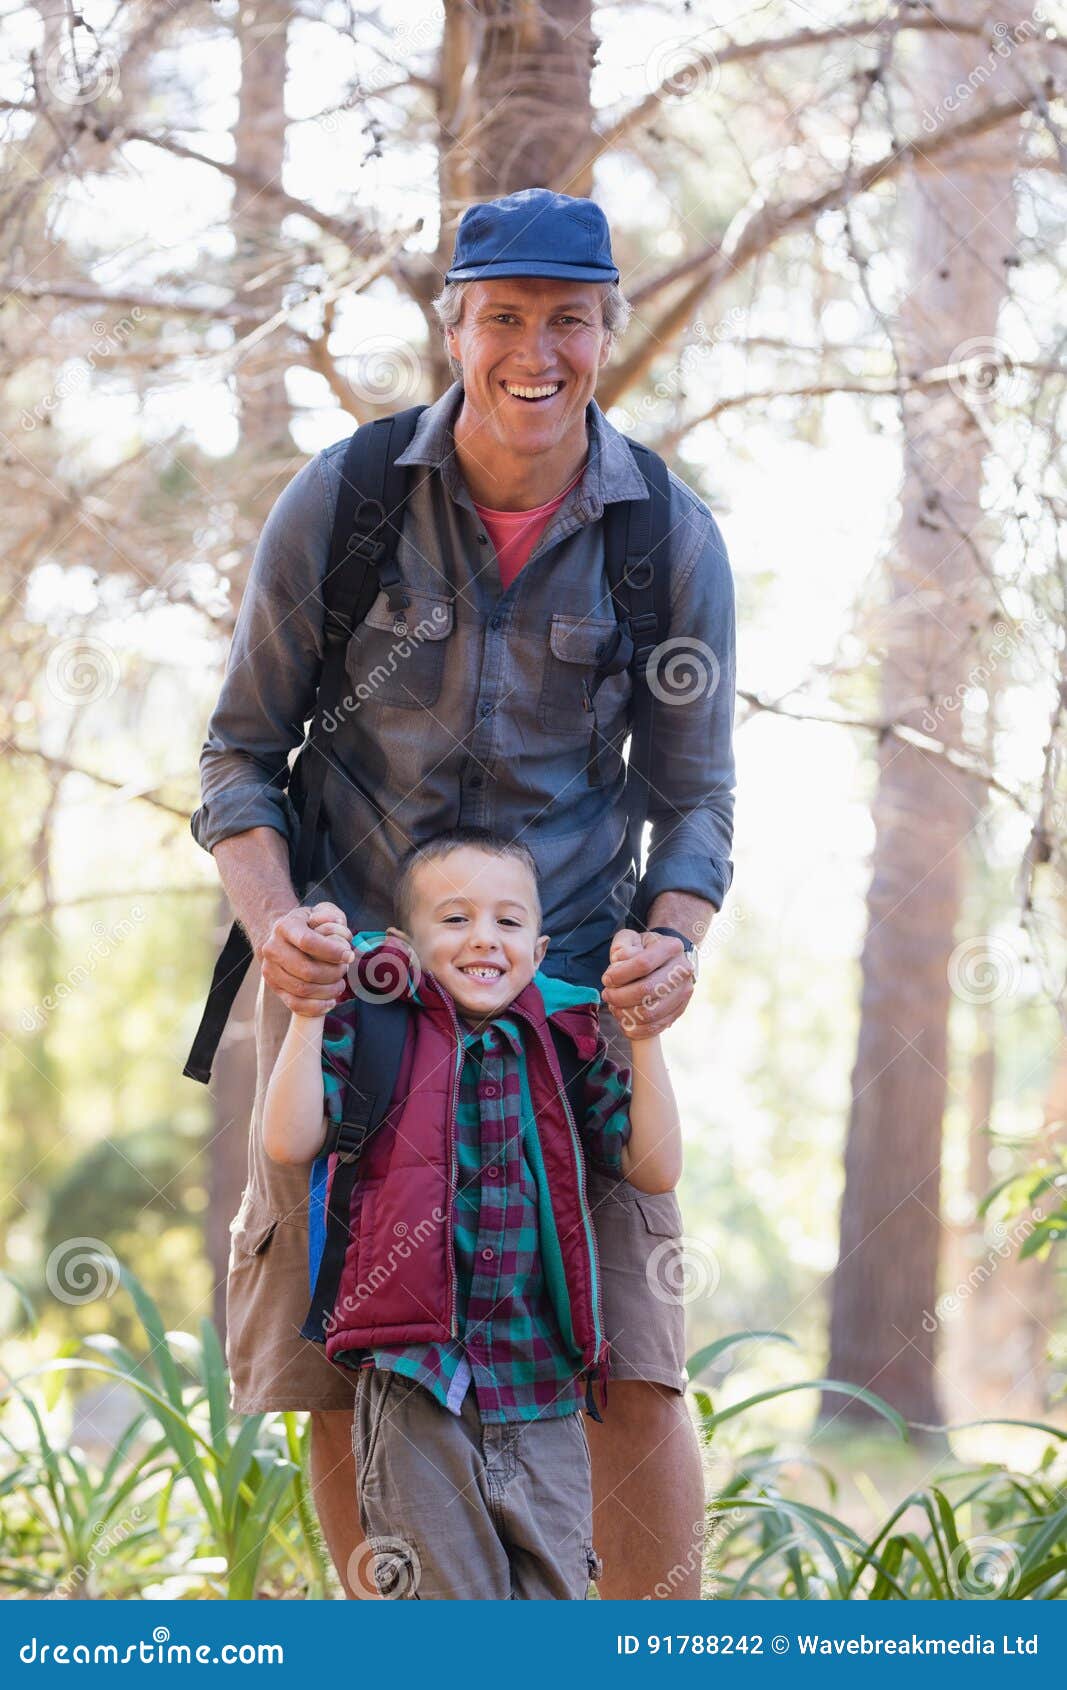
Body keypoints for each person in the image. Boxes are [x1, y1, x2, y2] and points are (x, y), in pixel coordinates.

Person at [192, 185, 736, 1599]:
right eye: (503, 316)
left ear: (604, 329)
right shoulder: (348, 495)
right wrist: (283, 939)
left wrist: (665, 950)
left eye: (568, 318)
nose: (533, 350)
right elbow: (240, 759)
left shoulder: (662, 533)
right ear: (454, 326)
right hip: (352, 994)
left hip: (564, 1011)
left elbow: (695, 803)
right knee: (338, 1363)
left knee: (631, 1363)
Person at [259, 830, 682, 1600]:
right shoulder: (374, 1029)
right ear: (404, 944)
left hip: (542, 1382)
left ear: (541, 945)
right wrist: (308, 1011)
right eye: (453, 919)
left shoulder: (565, 1041)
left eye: (508, 922)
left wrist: (644, 1042)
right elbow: (289, 1141)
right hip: (417, 1377)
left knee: (553, 1608)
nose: (484, 937)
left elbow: (651, 1168)